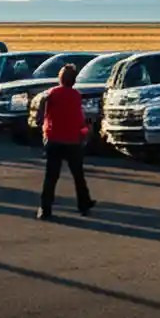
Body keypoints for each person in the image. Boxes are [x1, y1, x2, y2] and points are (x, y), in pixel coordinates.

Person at [38, 64, 95, 221]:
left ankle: (45, 208)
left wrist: (42, 126)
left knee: (51, 176)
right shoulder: (75, 96)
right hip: (71, 140)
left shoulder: (52, 93)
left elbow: (43, 105)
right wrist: (85, 131)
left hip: (54, 138)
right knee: (78, 175)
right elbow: (78, 119)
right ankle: (84, 204)